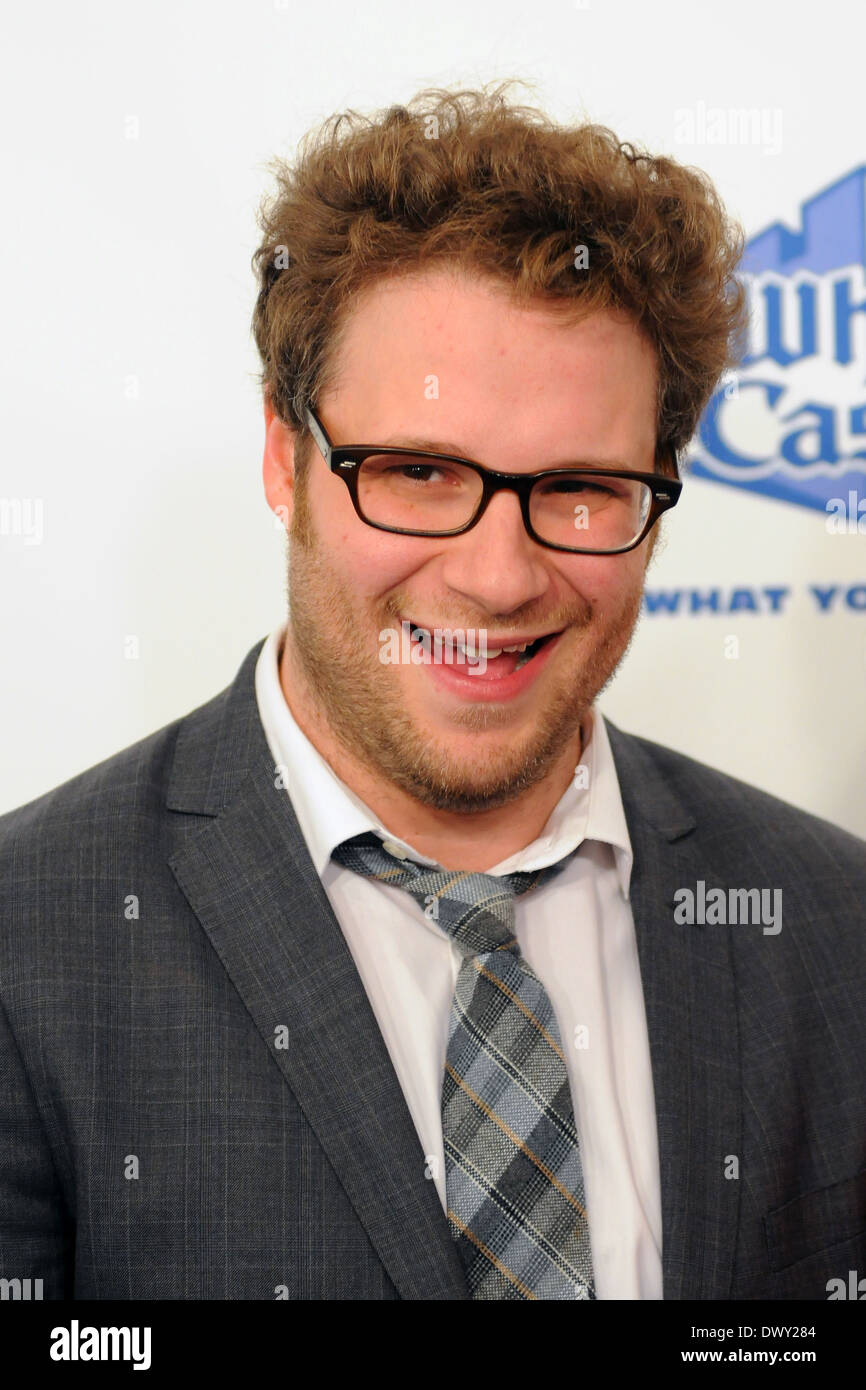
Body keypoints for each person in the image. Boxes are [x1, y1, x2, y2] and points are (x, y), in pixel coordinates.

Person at [1, 83, 864, 1302]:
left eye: (575, 487)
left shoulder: (832, 925)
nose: (497, 574)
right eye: (413, 472)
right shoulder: (27, 943)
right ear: (282, 458)